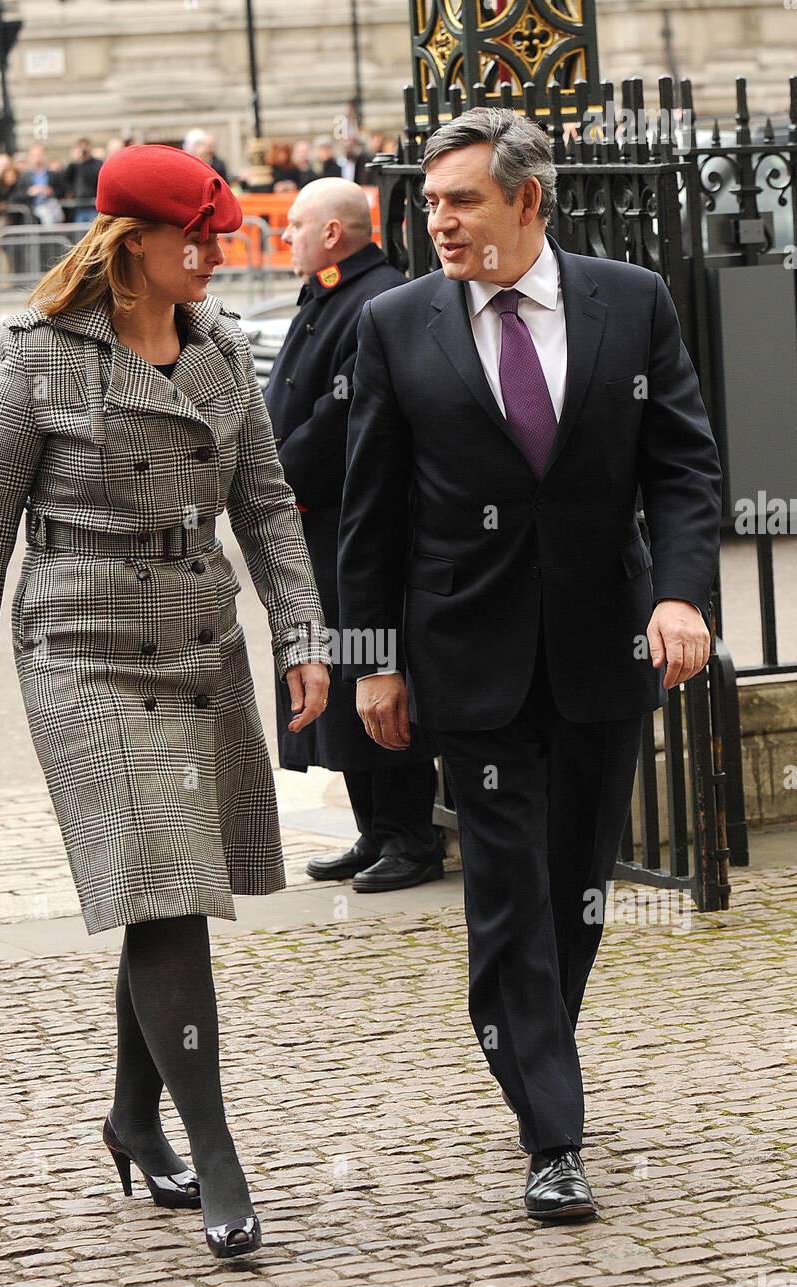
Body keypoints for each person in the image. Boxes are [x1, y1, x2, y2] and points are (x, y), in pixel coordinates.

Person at [0, 143, 332, 1259]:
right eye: (194, 238)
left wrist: (303, 630)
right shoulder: (37, 359)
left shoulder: (224, 353)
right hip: (81, 643)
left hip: (197, 639)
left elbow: (268, 507)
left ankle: (130, 1114)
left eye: (217, 233)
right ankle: (215, 1153)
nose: (217, 252)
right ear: (129, 247)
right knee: (160, 882)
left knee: (165, 884)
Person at [337, 108, 722, 1222]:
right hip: (468, 658)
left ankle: (533, 1041)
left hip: (603, 648)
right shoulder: (396, 323)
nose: (437, 220)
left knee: (576, 898)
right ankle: (553, 1135)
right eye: (429, 202)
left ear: (529, 202)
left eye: (461, 200)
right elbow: (371, 515)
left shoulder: (630, 301)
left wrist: (679, 592)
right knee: (506, 898)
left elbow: (684, 468)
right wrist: (373, 661)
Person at [266, 178, 444, 890]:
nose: (286, 237)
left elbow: (341, 423)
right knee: (340, 684)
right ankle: (375, 831)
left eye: (296, 225)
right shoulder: (329, 290)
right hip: (318, 523)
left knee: (370, 671)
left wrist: (273, 477)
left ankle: (411, 836)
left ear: (333, 234)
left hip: (350, 523)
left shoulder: (372, 296)